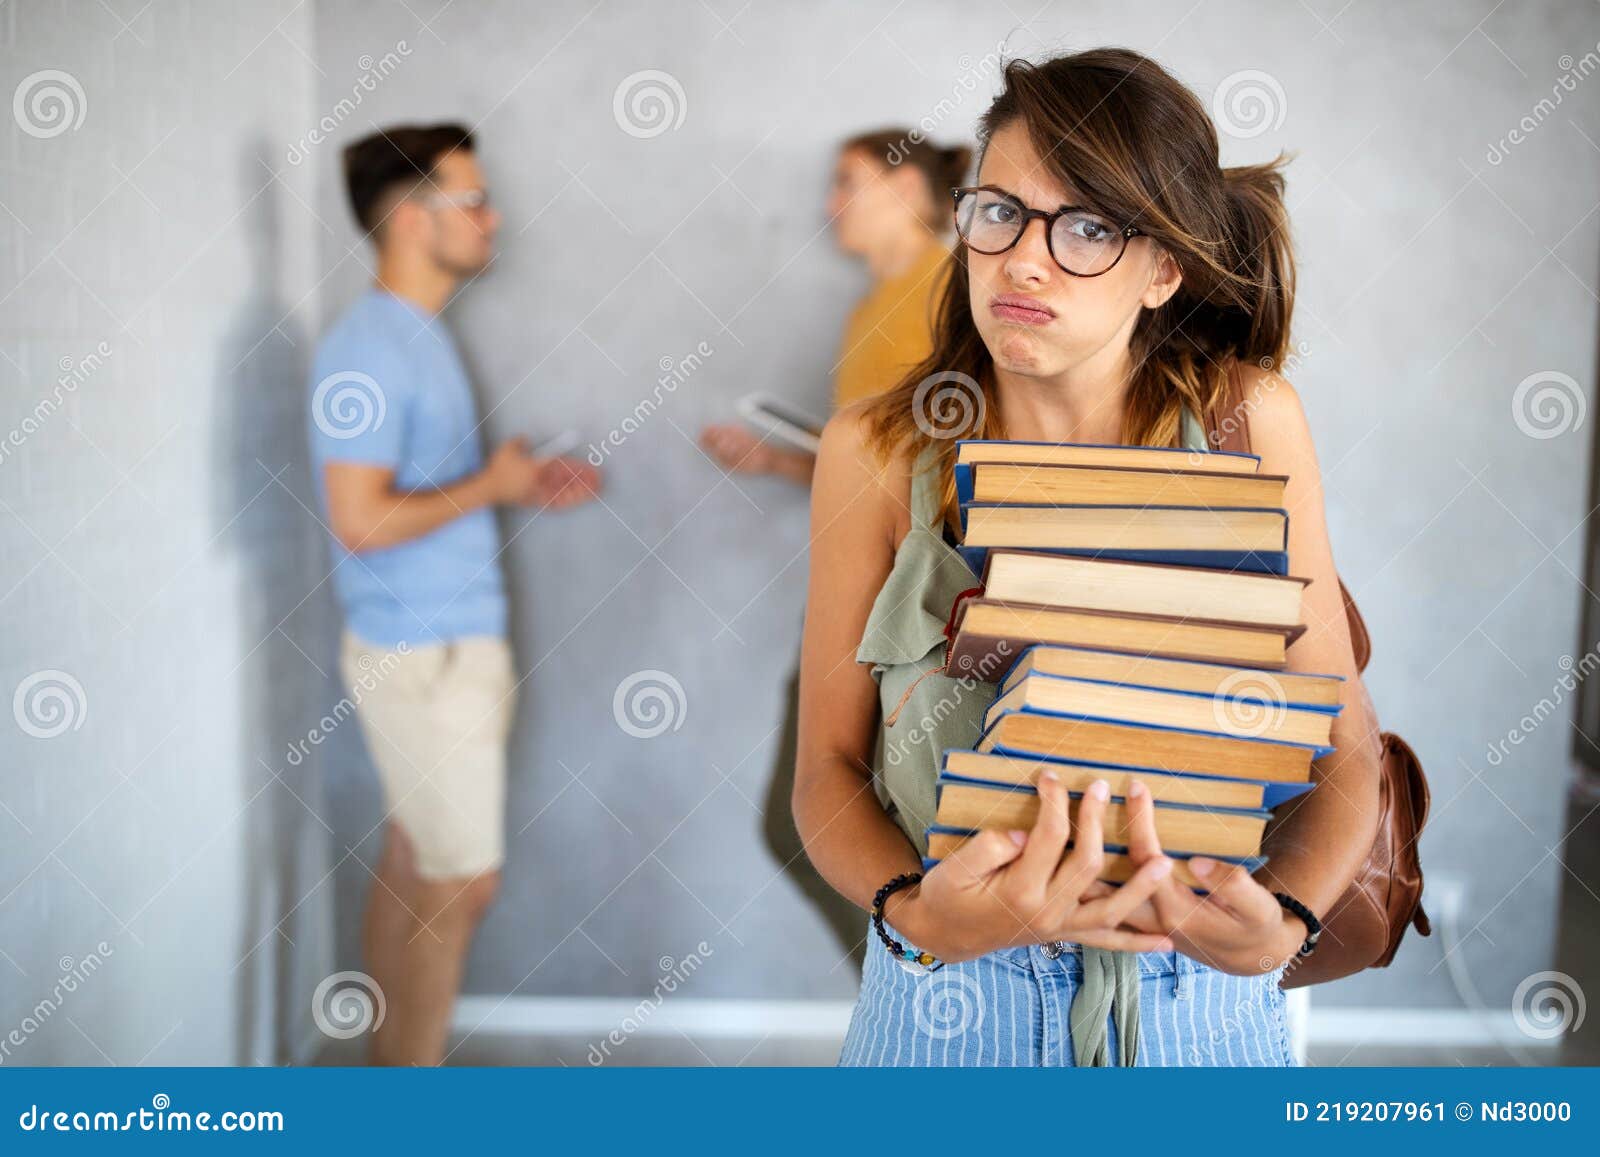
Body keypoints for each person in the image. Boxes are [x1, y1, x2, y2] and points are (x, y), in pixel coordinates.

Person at [795, 50, 1382, 1067]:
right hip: (945, 1000)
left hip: (1201, 1003)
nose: (1024, 260)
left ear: (1165, 269)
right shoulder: (877, 448)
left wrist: (1282, 920)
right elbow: (824, 771)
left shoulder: (1249, 420)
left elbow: (1346, 746)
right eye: (998, 213)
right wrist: (915, 911)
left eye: (1087, 228)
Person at [308, 124, 600, 1065]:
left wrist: (513, 483)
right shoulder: (367, 348)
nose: (492, 217)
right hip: (420, 656)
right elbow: (357, 518)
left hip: (444, 648)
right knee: (461, 880)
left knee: (414, 860)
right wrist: (494, 487)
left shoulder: (415, 336)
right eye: (470, 201)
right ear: (406, 217)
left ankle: (386, 1077)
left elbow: (414, 497)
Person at [697, 130, 970, 966]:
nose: (828, 205)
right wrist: (782, 459)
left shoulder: (953, 290)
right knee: (809, 819)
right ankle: (921, 980)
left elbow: (959, 457)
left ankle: (927, 981)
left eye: (847, 182)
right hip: (855, 595)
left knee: (850, 817)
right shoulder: (868, 309)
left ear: (908, 186)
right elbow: (876, 464)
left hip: (912, 608)